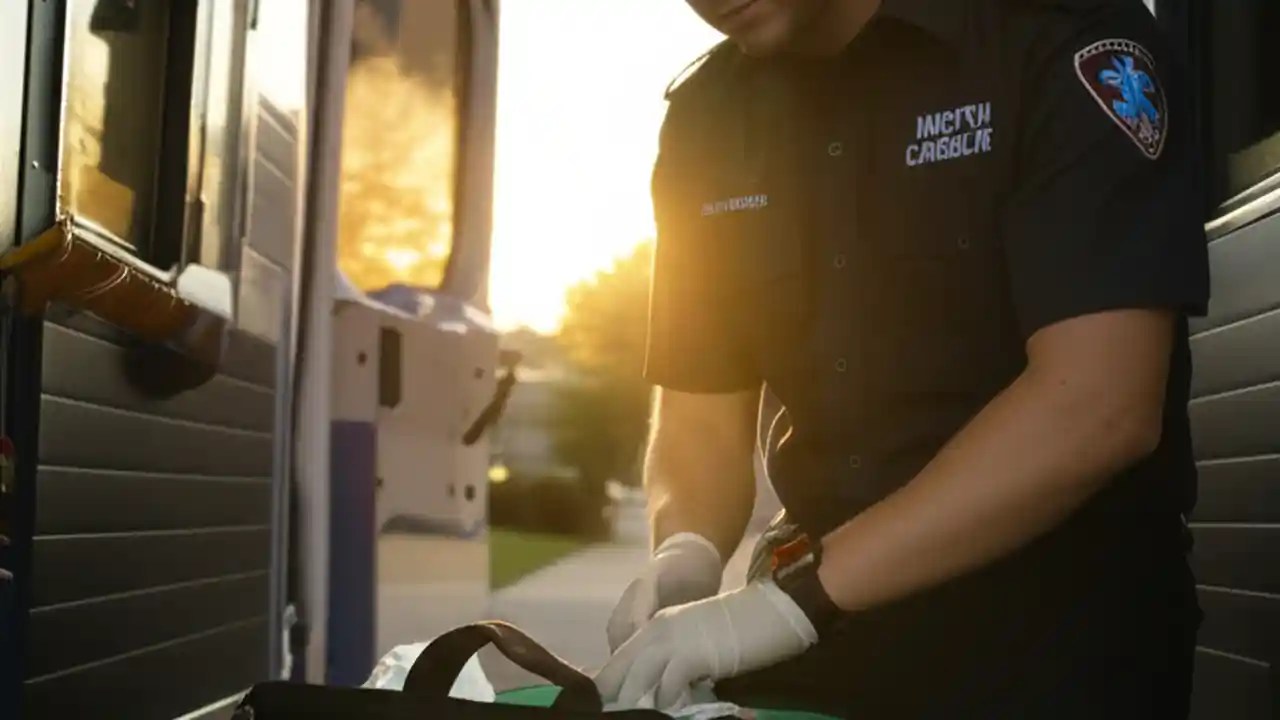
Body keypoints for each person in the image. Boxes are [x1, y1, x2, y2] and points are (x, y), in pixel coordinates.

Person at [596, 0, 1210, 717]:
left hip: (1055, 653)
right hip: (821, 647)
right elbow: (701, 414)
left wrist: (784, 608)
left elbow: (1099, 405)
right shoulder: (706, 117)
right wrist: (687, 552)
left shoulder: (1056, 38)